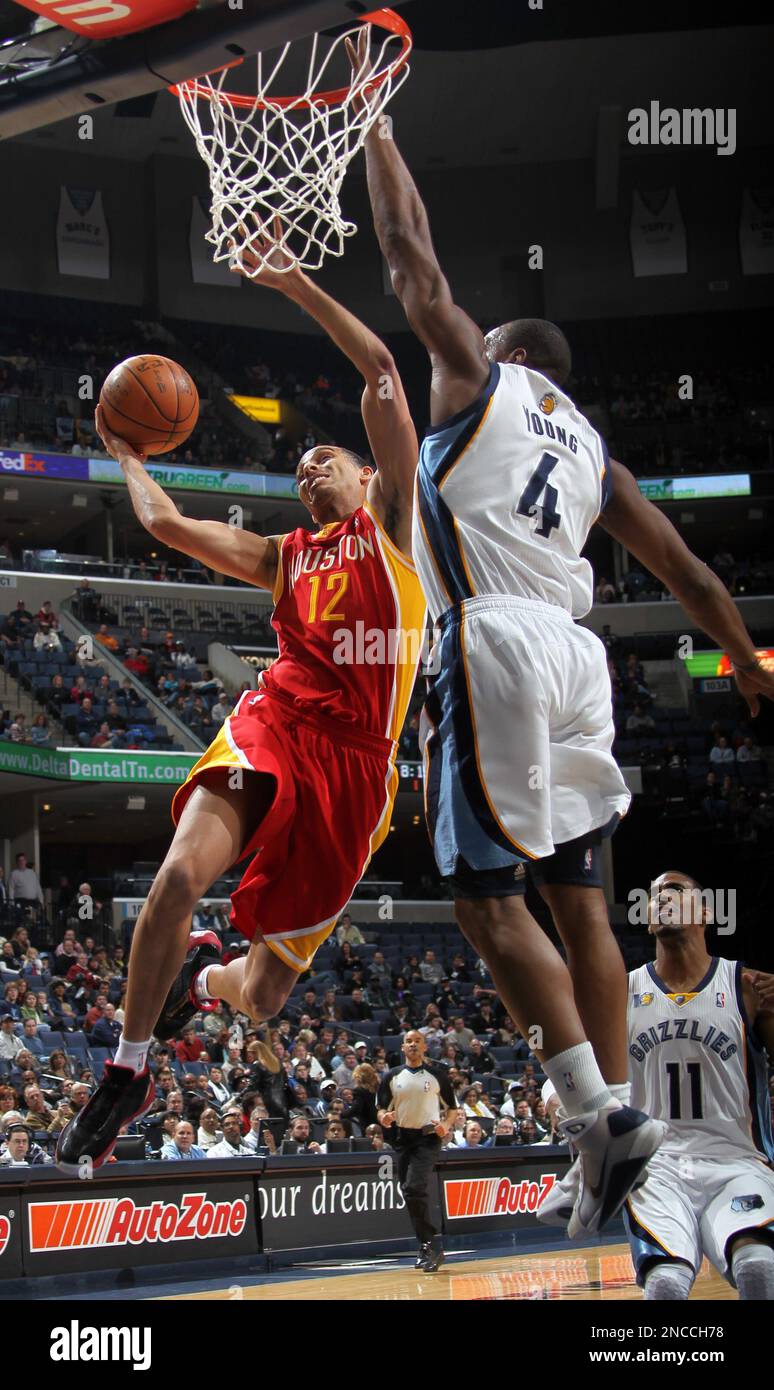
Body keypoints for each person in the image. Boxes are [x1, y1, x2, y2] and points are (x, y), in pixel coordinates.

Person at [353, 18, 774, 1240]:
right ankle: (616, 1127)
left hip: (491, 642)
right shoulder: (598, 456)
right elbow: (692, 579)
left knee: (486, 904)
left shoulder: (481, 380)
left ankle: (597, 1113)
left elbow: (413, 269)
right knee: (584, 906)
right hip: (585, 661)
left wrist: (372, 123)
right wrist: (746, 663)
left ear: (510, 355)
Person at [58, 244, 424, 1173]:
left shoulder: (394, 528)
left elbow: (382, 369)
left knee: (260, 996)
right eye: (300, 468)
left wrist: (292, 282)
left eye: (325, 460)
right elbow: (167, 526)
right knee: (177, 878)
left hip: (359, 766)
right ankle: (131, 1065)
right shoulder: (282, 556)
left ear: (365, 477)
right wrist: (124, 454)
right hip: (278, 724)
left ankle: (210, 978)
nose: (310, 472)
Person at [541, 870, 774, 1303]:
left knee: (759, 1269)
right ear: (647, 920)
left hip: (738, 1159)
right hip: (656, 1167)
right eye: (654, 896)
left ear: (706, 912)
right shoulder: (619, 992)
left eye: (676, 891)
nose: (663, 899)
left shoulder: (749, 988)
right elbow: (568, 1064)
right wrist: (557, 1097)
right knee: (665, 1285)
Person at [377, 1030, 459, 1273]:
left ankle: (431, 1244)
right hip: (403, 1138)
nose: (413, 1045)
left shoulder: (437, 1075)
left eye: (417, 1041)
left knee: (414, 1187)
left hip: (428, 1138)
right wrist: (385, 1118)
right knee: (409, 1192)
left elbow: (452, 1108)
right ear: (402, 1048)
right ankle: (426, 1244)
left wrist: (445, 1125)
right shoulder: (392, 1076)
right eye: (408, 1042)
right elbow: (380, 1109)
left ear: (424, 1047)